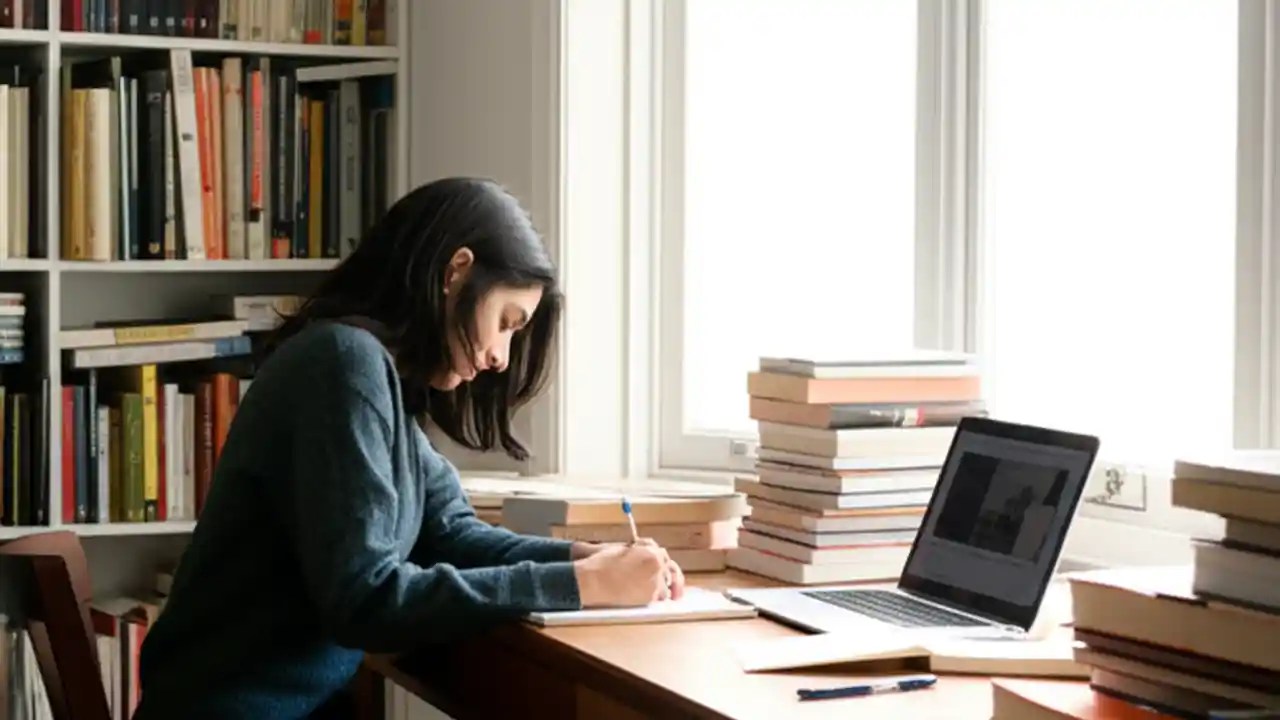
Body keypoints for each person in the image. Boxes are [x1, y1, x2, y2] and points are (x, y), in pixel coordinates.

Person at [133, 177, 686, 719]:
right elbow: (367, 601)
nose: (500, 356)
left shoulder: (377, 379)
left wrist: (583, 559)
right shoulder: (342, 365)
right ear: (456, 272)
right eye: (506, 323)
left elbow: (450, 533)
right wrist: (578, 585)